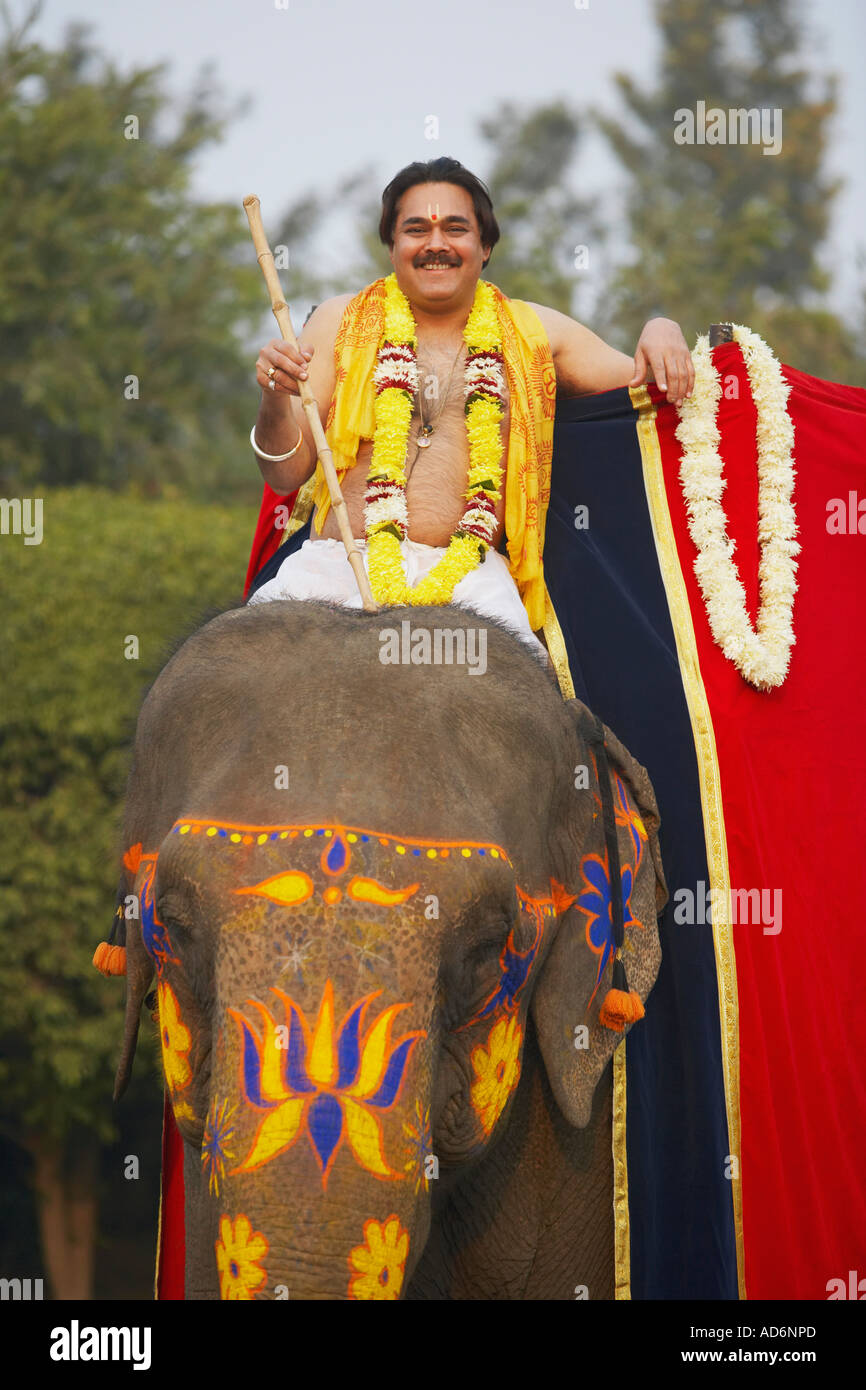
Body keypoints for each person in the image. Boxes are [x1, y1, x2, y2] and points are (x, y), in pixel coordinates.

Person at [246, 157, 694, 653]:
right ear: (392, 248)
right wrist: (273, 395)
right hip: (334, 568)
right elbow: (285, 476)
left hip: (470, 583)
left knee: (532, 717)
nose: (435, 243)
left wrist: (661, 328)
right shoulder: (340, 321)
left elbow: (650, 383)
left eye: (455, 228)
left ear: (484, 248)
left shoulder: (537, 334)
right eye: (416, 228)